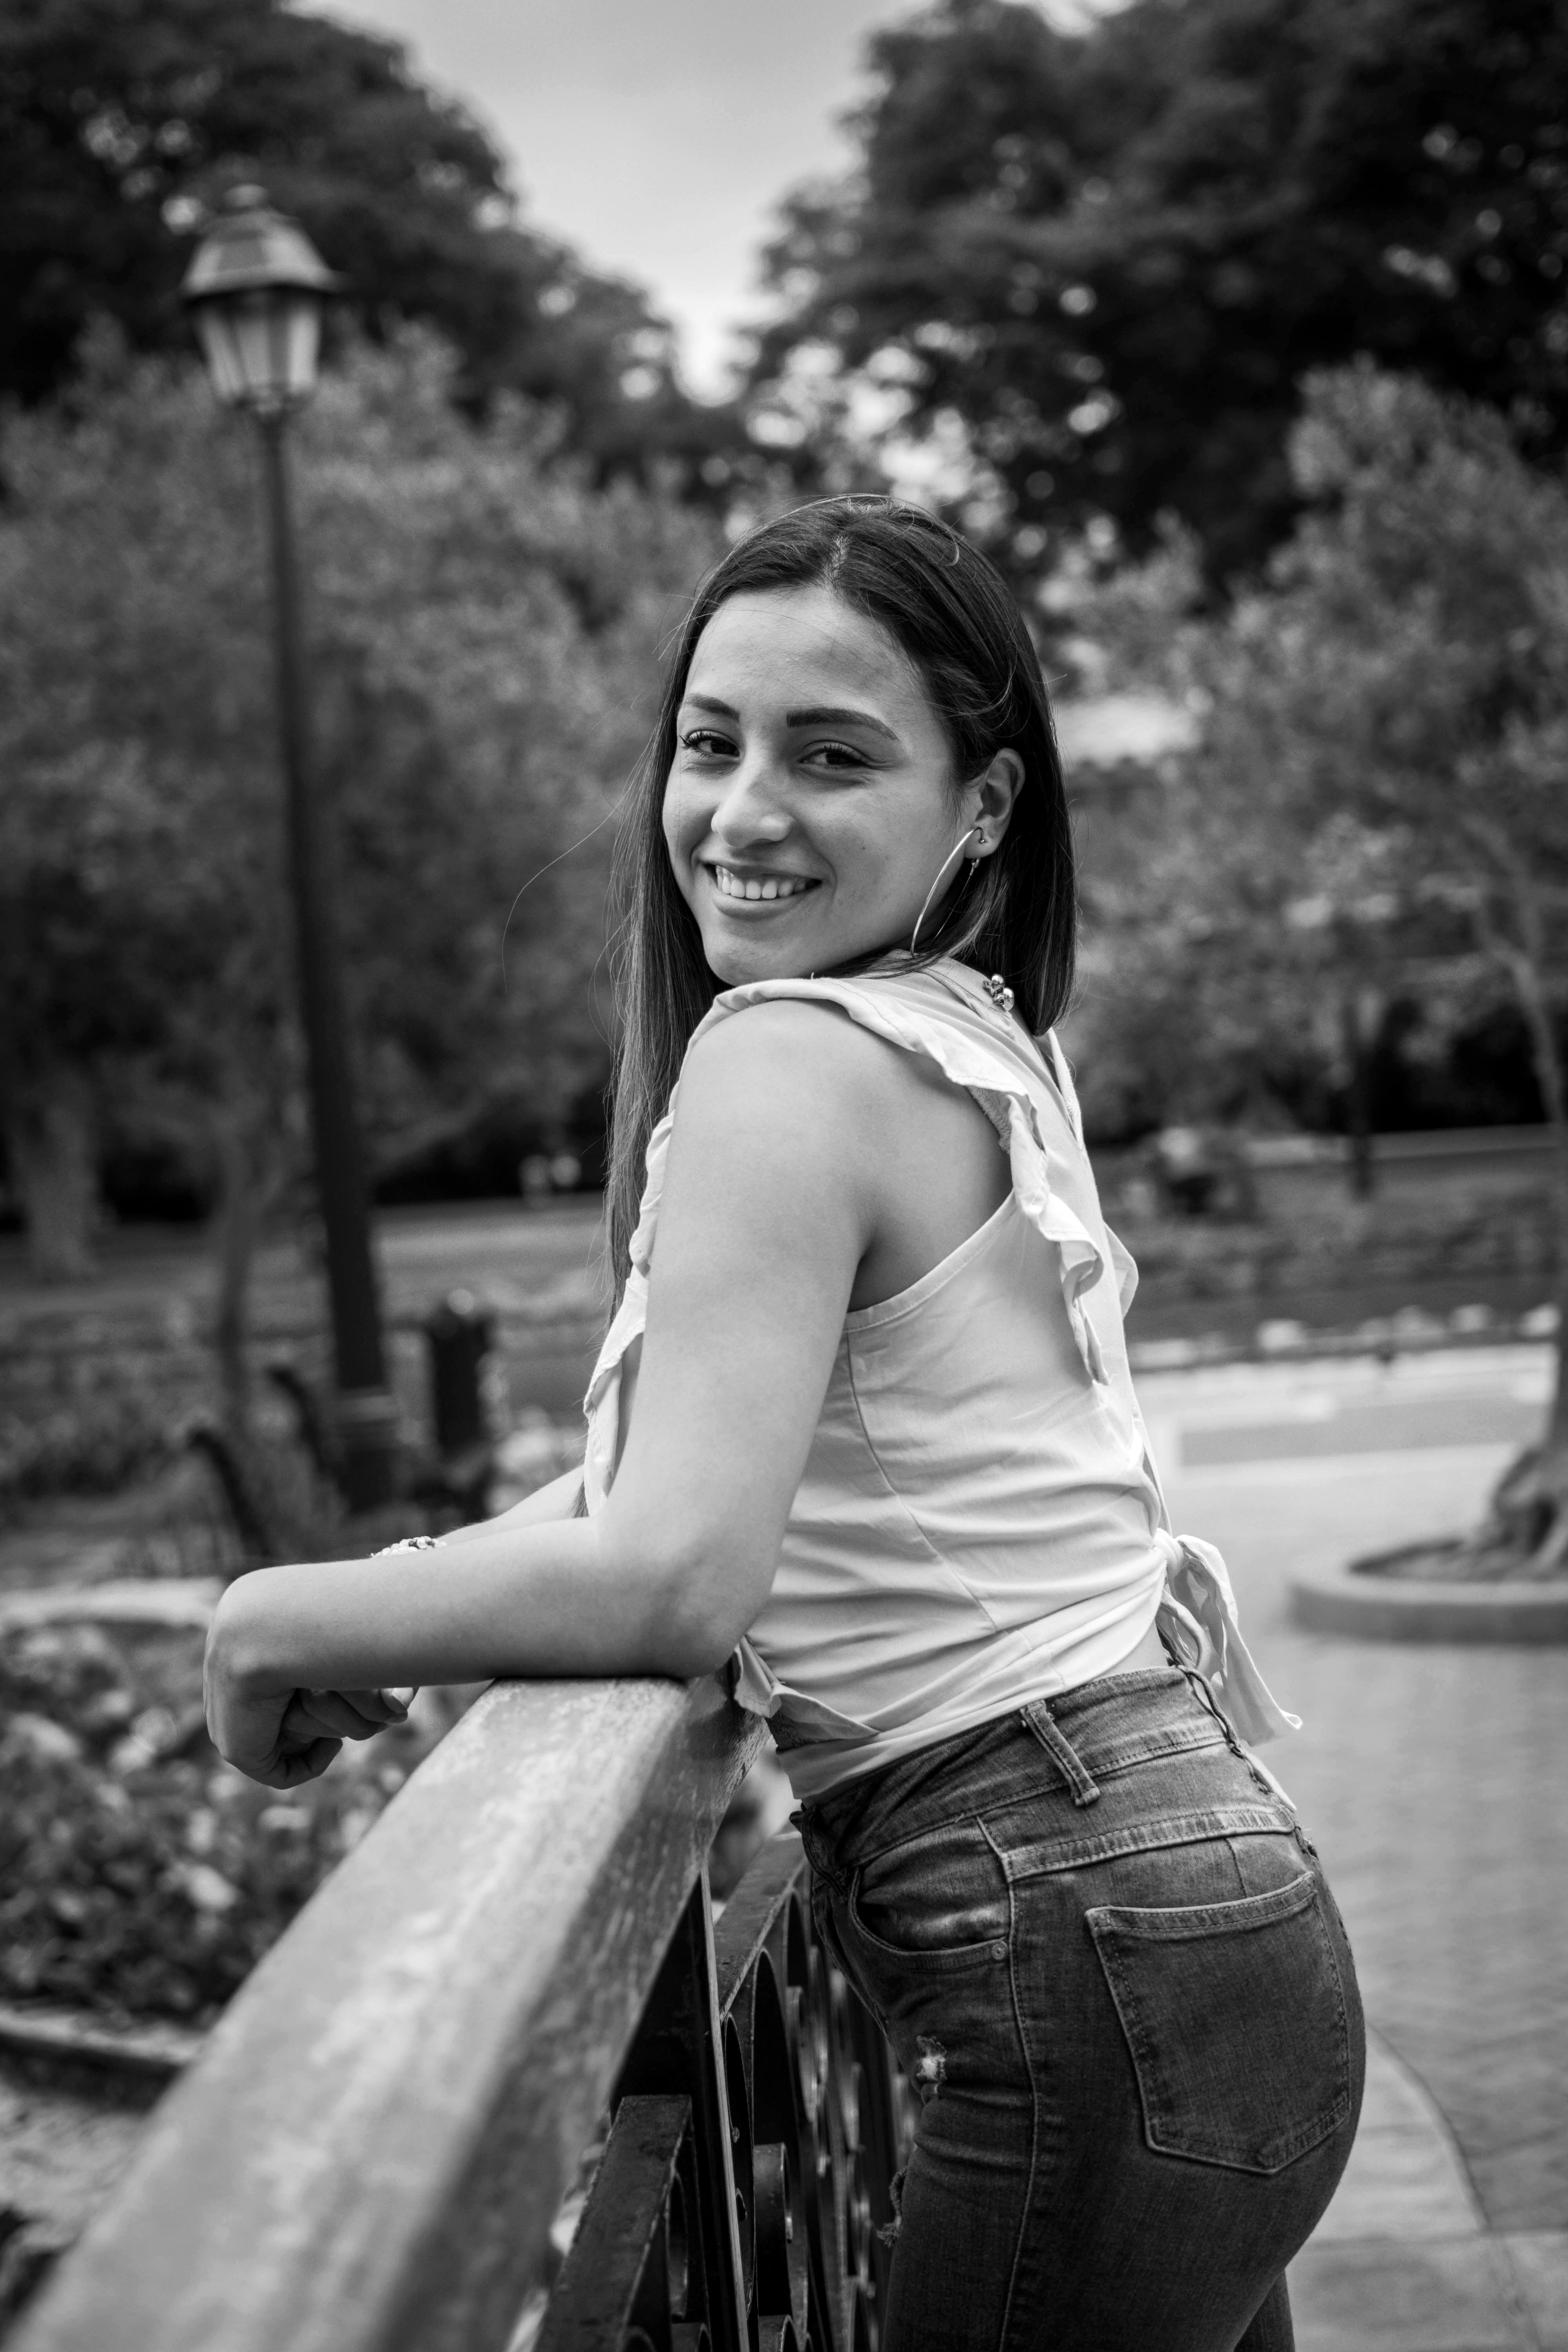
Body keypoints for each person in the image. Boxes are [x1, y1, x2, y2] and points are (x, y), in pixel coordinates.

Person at [205, 497, 1364, 2350]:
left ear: (981, 806)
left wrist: (271, 1618)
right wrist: (406, 1585)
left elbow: (673, 1574)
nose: (742, 814)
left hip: (1083, 1939)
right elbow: (662, 1479)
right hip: (1193, 1911)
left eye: (832, 757)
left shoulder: (785, 1063)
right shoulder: (965, 1027)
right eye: (707, 742)